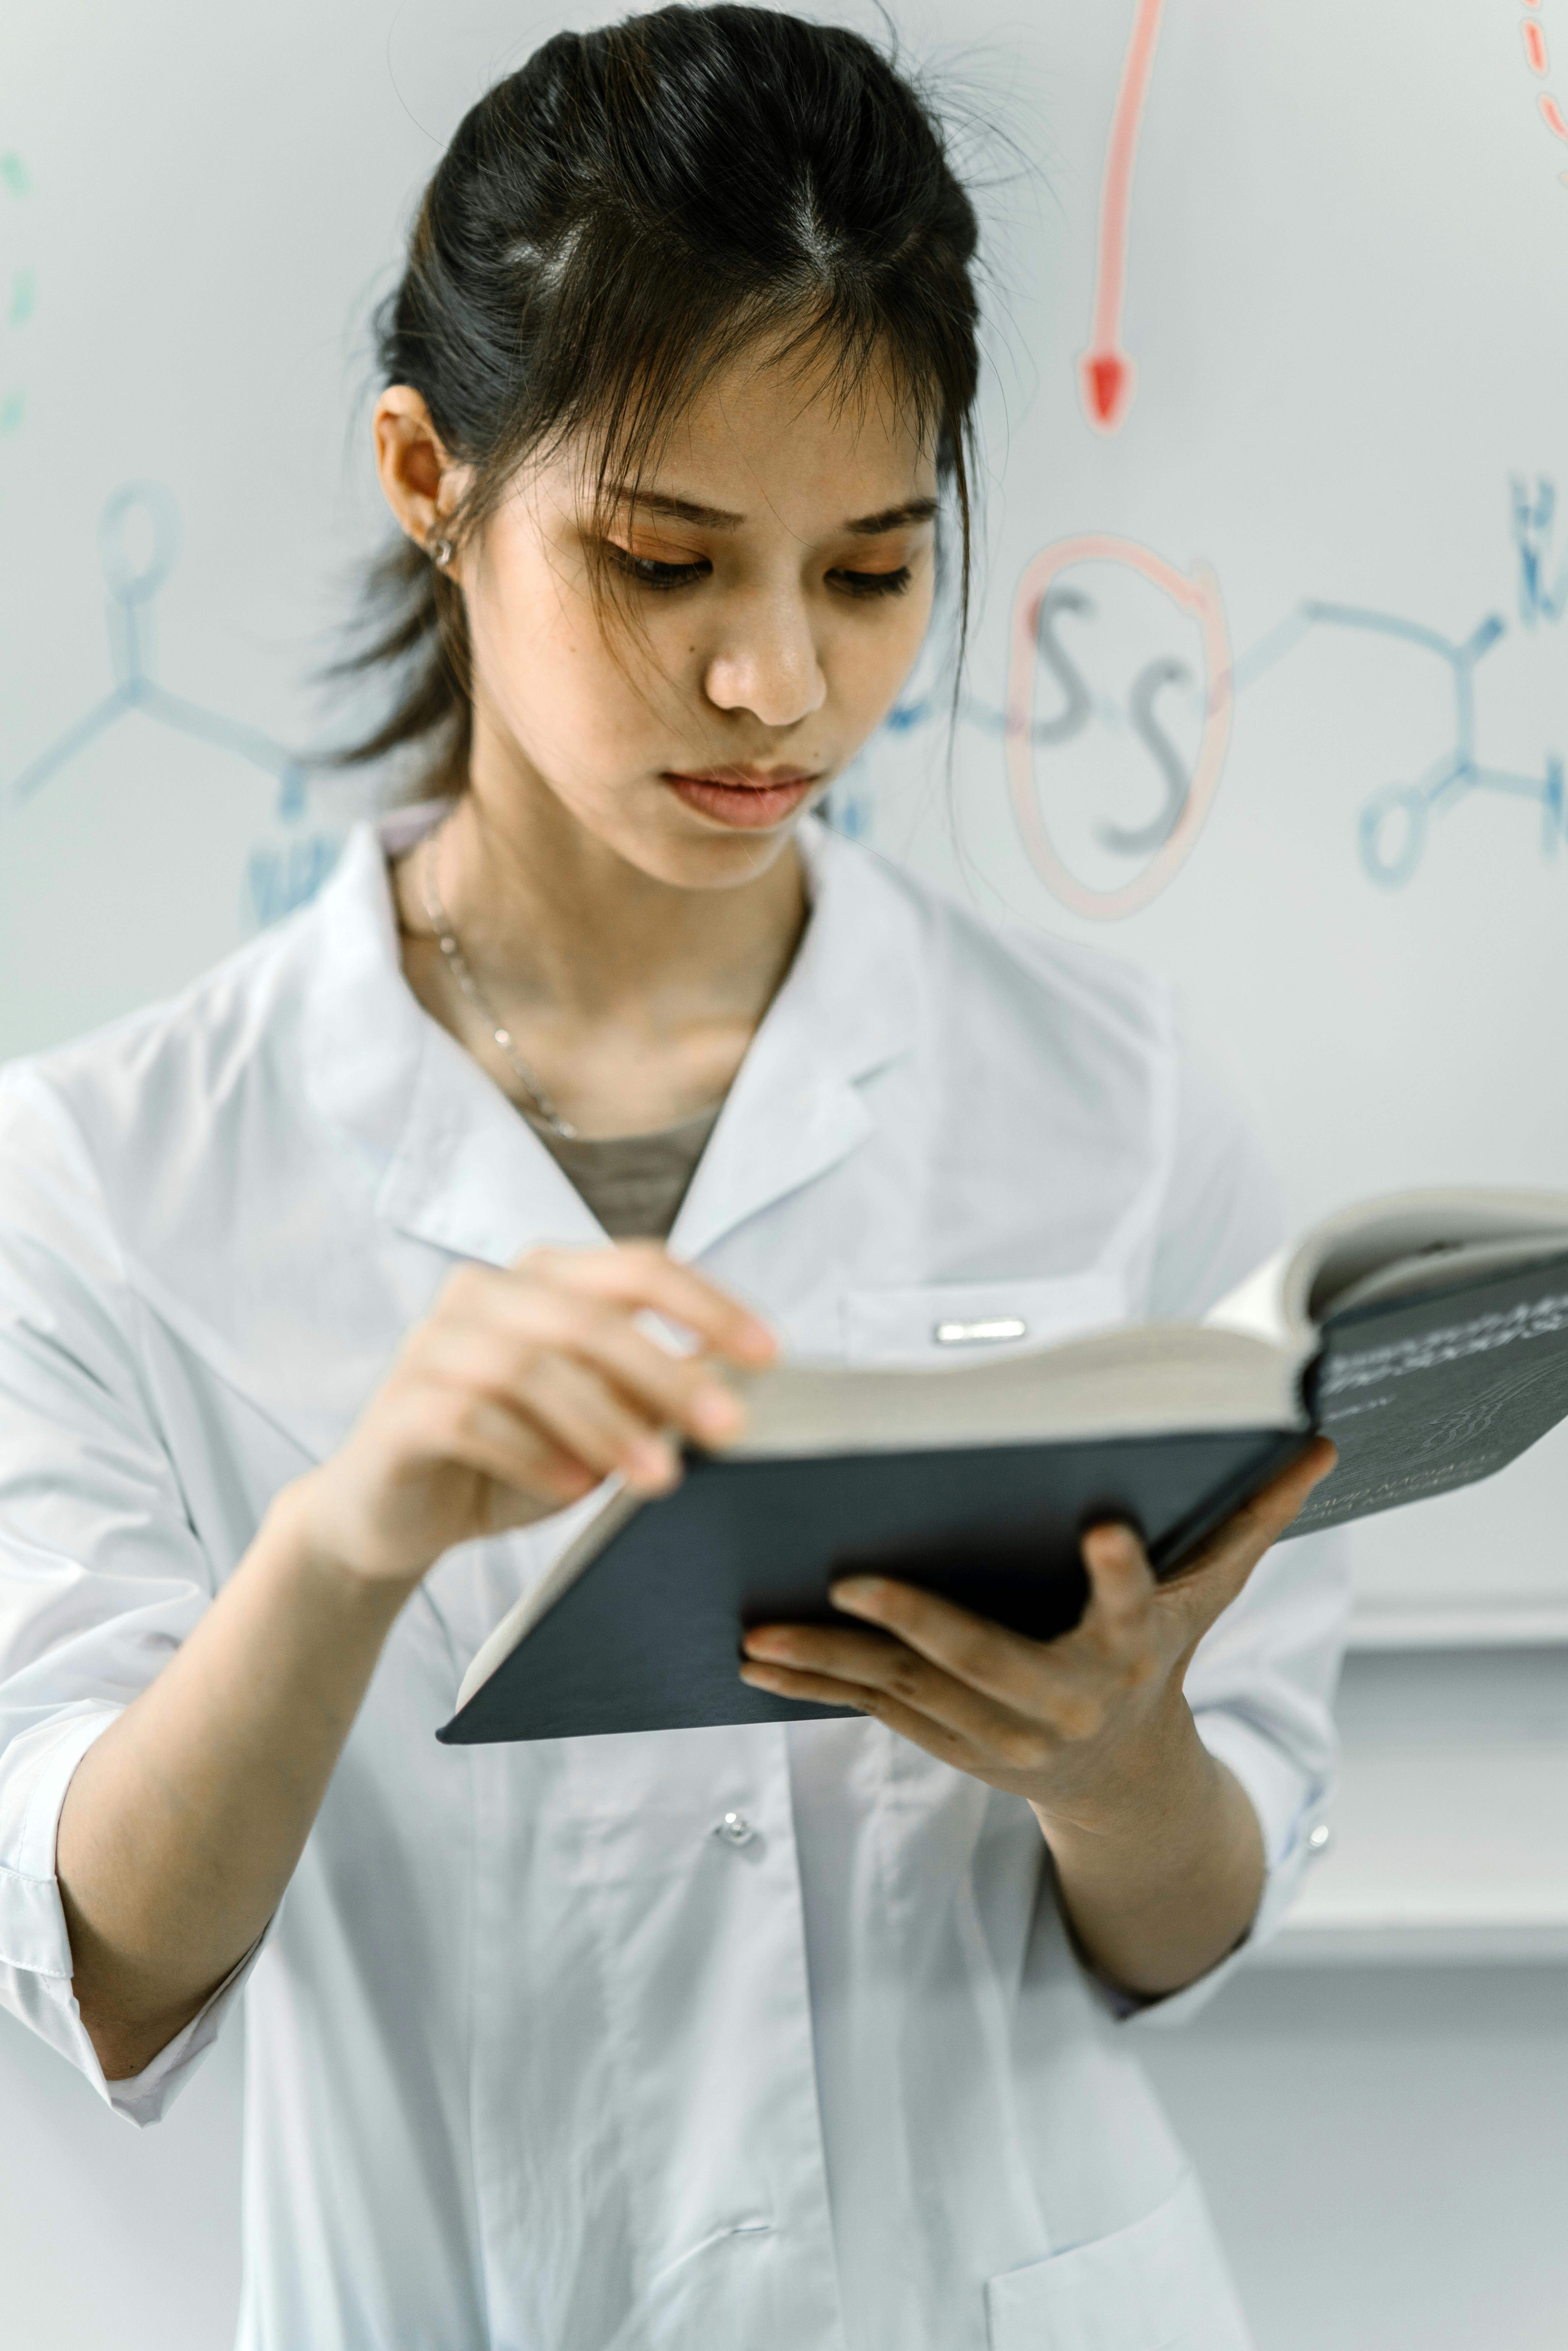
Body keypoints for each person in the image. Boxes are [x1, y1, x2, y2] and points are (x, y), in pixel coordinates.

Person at [0, 10, 1347, 2347]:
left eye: (866, 572)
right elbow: (101, 1964)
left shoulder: (1105, 1090)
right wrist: (345, 1544)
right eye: (664, 560)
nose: (772, 685)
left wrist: (1120, 1768)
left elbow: (1192, 1914)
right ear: (432, 475)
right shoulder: (104, 1177)